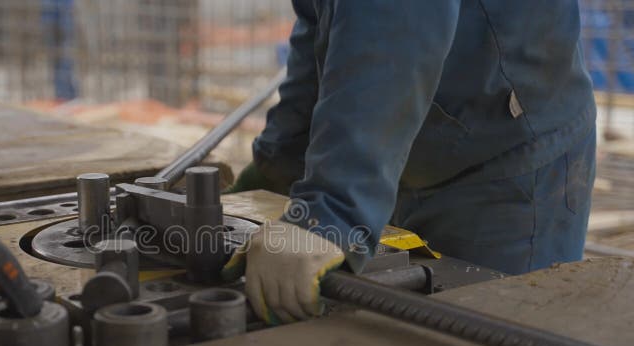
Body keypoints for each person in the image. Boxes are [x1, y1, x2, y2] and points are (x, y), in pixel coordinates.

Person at [223, 0, 596, 325]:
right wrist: (281, 161)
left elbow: (393, 26)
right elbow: (322, 25)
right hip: (419, 141)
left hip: (506, 154)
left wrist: (328, 215)